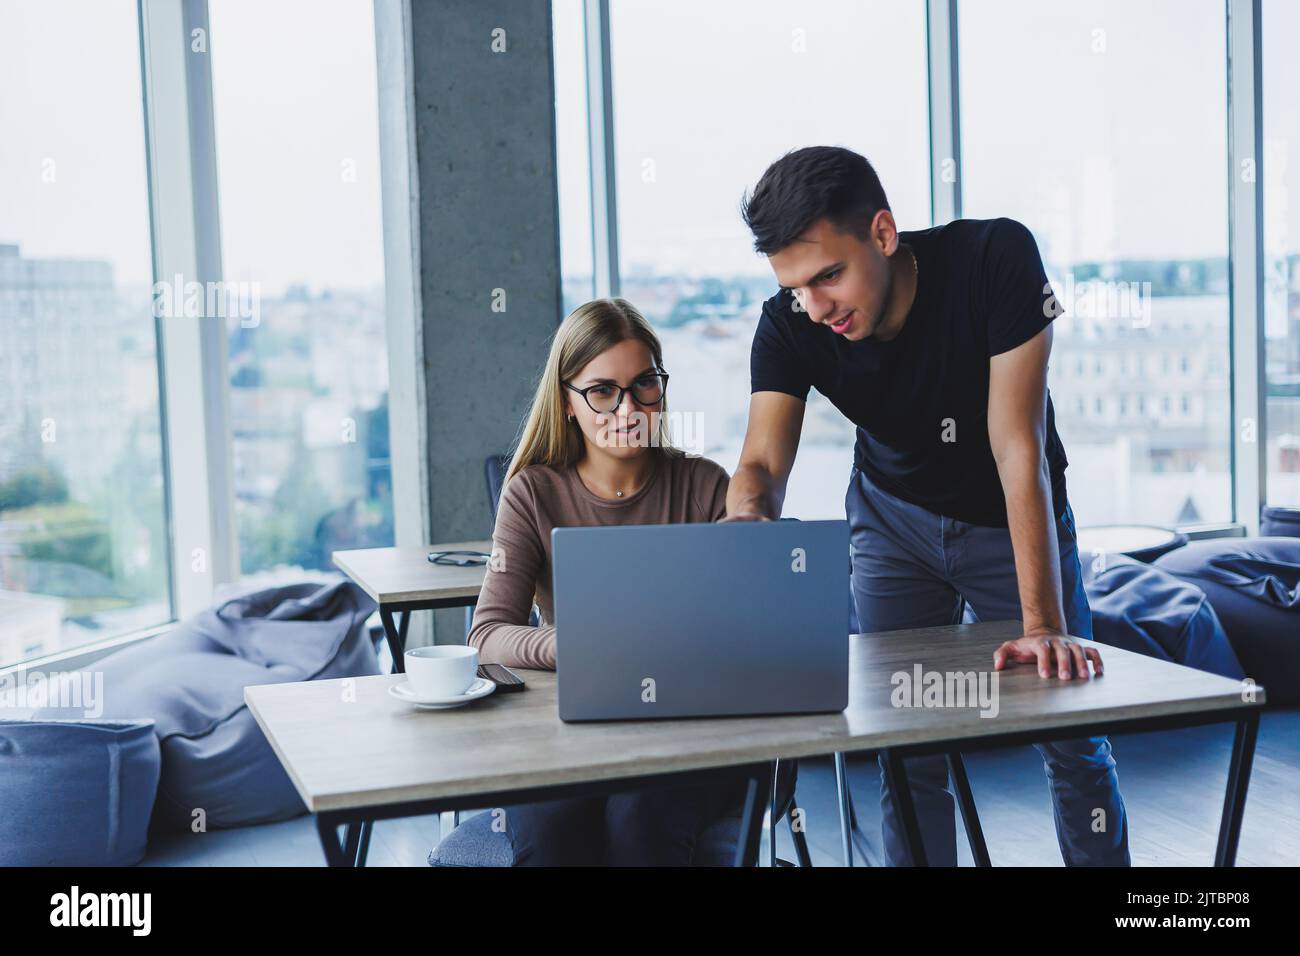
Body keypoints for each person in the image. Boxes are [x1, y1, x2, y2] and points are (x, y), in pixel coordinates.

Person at [726, 145, 1129, 866]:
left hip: (1009, 516)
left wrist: (1043, 626)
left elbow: (1017, 447)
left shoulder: (994, 258)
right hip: (890, 522)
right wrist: (746, 529)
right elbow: (759, 465)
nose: (816, 308)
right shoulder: (792, 320)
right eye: (796, 287)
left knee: (1072, 730)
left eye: (829, 277)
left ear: (883, 234)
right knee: (907, 742)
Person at [467, 296, 745, 865]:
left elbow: (749, 626)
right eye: (602, 391)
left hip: (682, 728)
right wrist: (581, 646)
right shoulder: (533, 493)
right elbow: (487, 634)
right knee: (551, 832)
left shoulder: (705, 486)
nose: (628, 409)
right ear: (568, 403)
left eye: (645, 384)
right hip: (568, 727)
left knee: (639, 821)